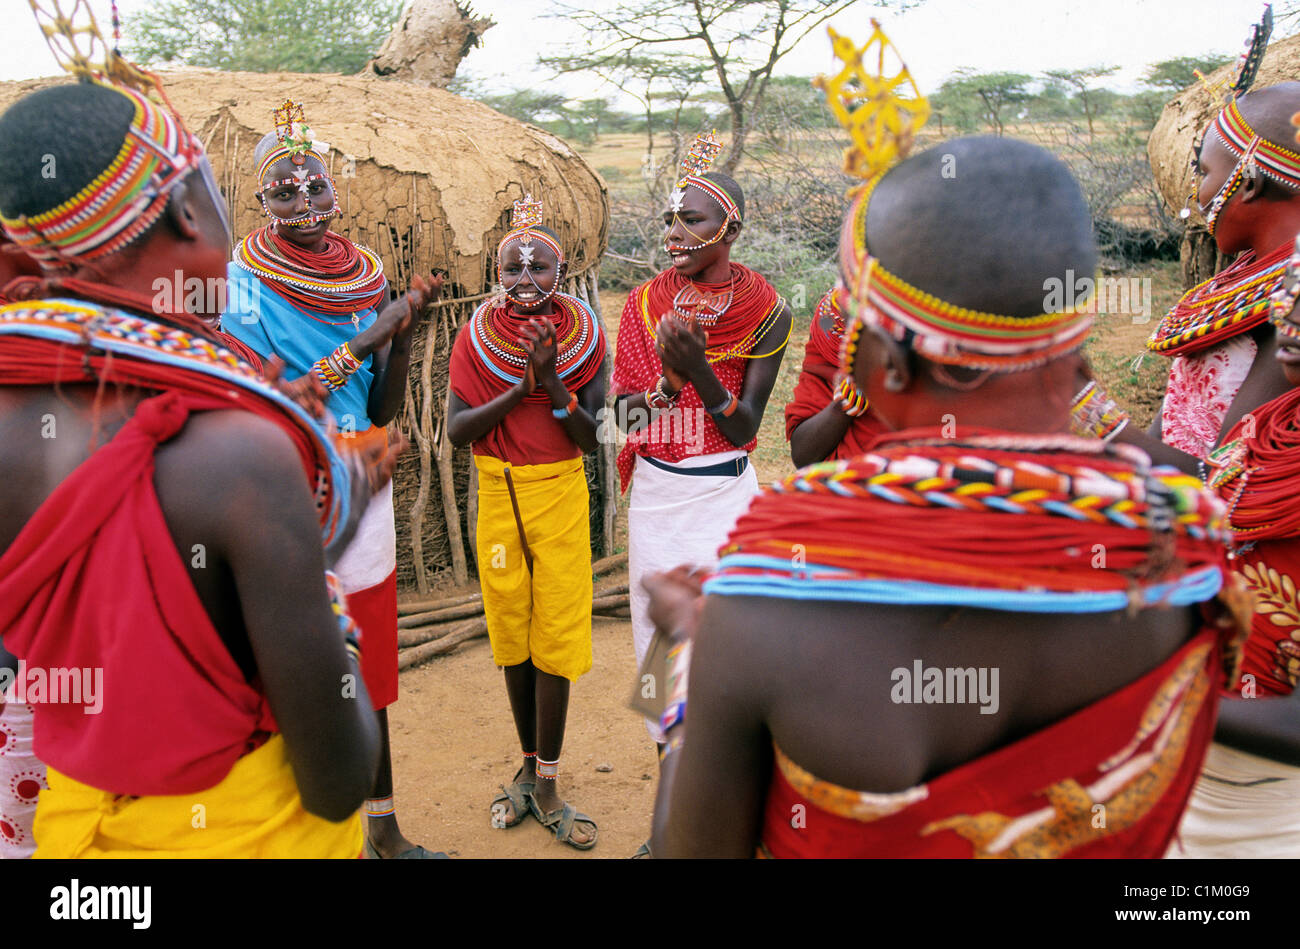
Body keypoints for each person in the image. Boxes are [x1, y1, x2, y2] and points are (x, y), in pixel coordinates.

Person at [641, 28, 1242, 858]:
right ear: (1071, 336)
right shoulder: (1187, 554)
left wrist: (684, 665)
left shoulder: (763, 599)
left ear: (881, 366)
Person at [0, 33, 394, 856]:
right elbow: (338, 777)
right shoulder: (239, 454)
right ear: (187, 210)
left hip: (78, 834)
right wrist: (326, 560)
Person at [223, 102, 441, 859]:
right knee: (292, 655)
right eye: (286, 193)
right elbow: (266, 402)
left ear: (335, 189)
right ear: (261, 201)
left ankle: (381, 827)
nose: (306, 205)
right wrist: (370, 339)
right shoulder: (241, 285)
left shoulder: (369, 274)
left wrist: (401, 341)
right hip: (288, 484)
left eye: (315, 187)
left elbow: (380, 403)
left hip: (365, 475)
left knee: (370, 660)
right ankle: (302, 831)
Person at [611, 132, 792, 754]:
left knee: (731, 639)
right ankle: (671, 813)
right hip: (660, 497)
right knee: (659, 648)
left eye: (693, 221)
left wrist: (702, 371)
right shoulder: (644, 305)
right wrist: (667, 384)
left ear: (730, 227)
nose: (676, 235)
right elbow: (620, 420)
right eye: (671, 221)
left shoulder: (767, 309)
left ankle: (725, 806)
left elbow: (744, 427)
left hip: (726, 494)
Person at [447, 194, 607, 850]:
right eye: (512, 266)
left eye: (539, 267)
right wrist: (521, 387)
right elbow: (458, 430)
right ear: (496, 272)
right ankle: (525, 762)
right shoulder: (475, 336)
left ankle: (546, 782)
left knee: (558, 635)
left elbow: (593, 438)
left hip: (559, 495)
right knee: (511, 630)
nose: (524, 278)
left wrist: (556, 383)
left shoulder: (588, 335)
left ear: (561, 273)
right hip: (497, 492)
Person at [1167, 225, 1300, 857]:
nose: (1286, 310)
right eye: (1291, 284)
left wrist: (1135, 678)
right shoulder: (1270, 422)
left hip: (1275, 807)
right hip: (1199, 771)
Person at [785, 285, 885, 466]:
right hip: (843, 482)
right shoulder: (831, 319)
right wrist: (849, 399)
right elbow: (802, 454)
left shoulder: (932, 333)